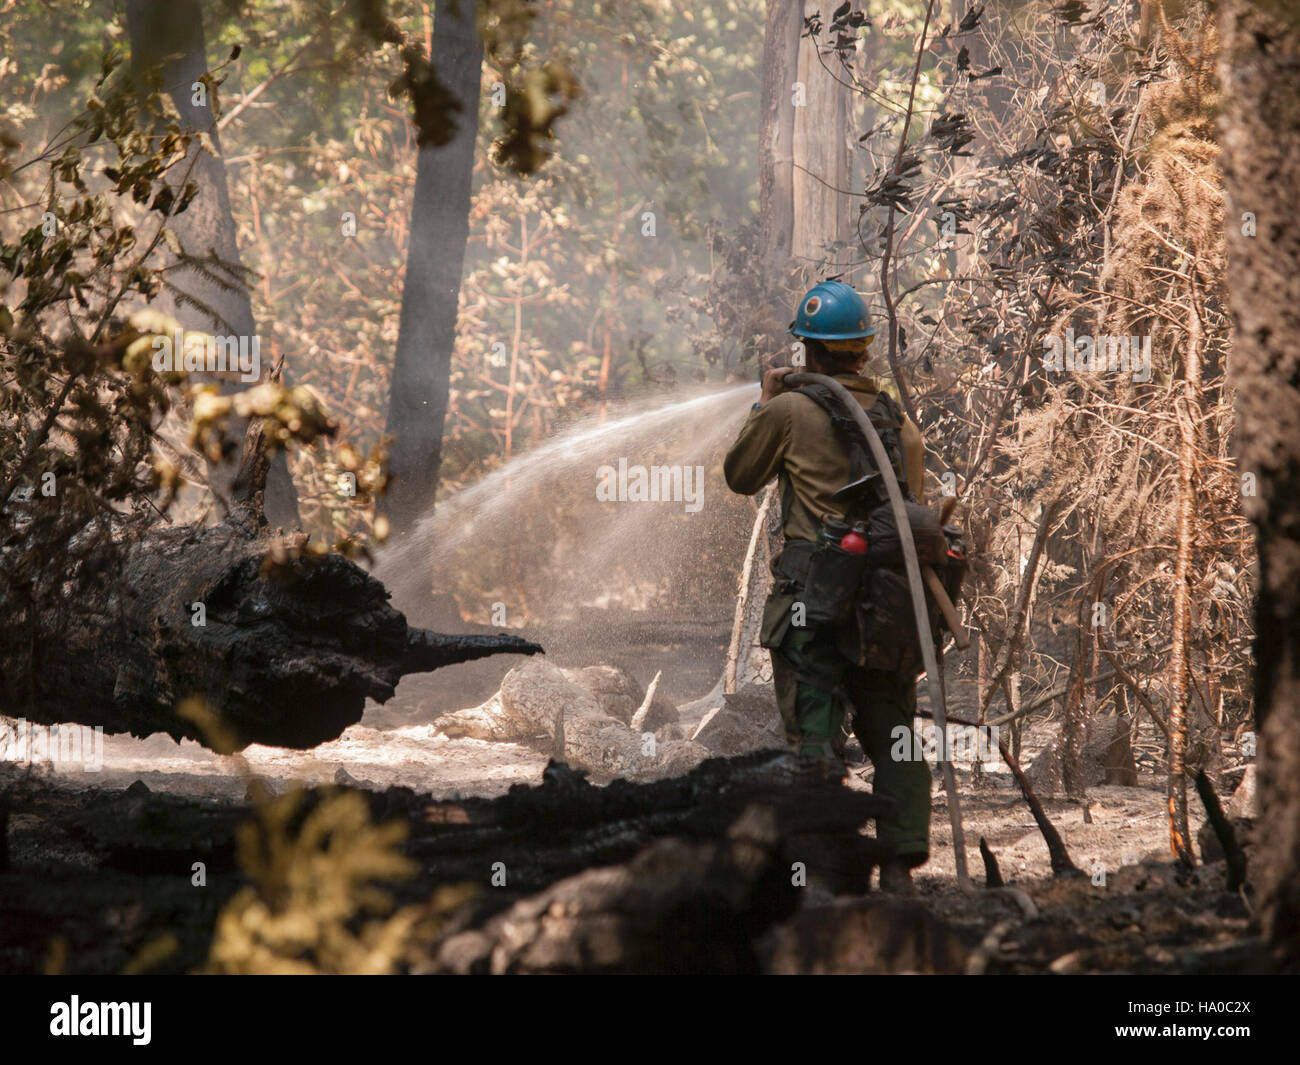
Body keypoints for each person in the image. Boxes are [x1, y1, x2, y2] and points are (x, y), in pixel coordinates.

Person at [723, 280, 931, 894]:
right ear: (862, 350)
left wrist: (763, 402)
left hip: (813, 600)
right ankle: (899, 864)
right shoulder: (897, 422)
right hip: (884, 604)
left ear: (807, 351)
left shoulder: (788, 412)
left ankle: (822, 870)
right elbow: (908, 507)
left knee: (812, 734)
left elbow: (740, 476)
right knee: (892, 730)